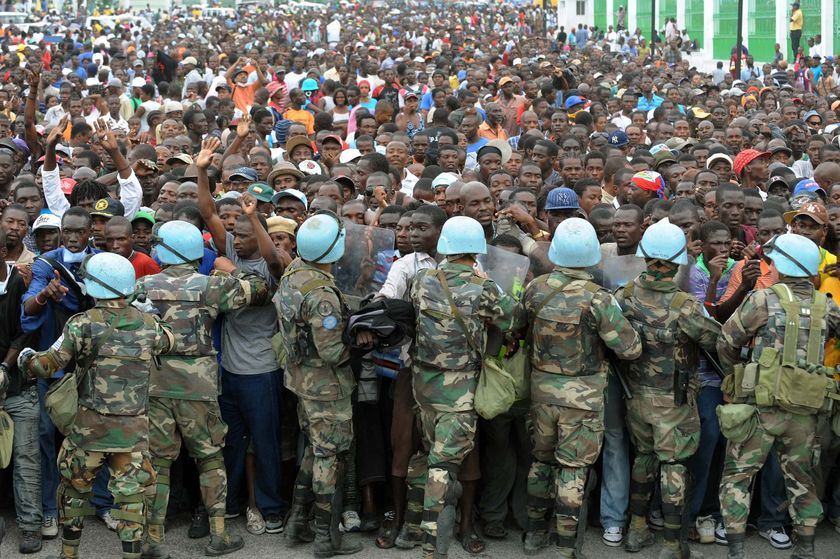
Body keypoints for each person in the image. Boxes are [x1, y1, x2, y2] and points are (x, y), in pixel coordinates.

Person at [18, 252, 175, 559]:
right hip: (132, 430)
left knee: (74, 492)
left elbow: (49, 365)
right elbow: (167, 341)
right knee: (131, 498)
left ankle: (69, 554)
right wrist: (148, 312)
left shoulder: (82, 325)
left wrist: (27, 359)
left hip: (88, 430)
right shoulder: (148, 325)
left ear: (95, 286)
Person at [136, 220, 272, 558]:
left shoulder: (143, 285)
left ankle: (153, 539)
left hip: (155, 383)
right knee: (210, 457)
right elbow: (260, 289)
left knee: (158, 462)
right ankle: (219, 535)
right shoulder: (210, 285)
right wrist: (230, 268)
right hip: (199, 385)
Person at [521, 218, 641, 557]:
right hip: (584, 396)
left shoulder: (536, 288)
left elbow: (517, 326)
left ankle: (533, 534)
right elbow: (630, 349)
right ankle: (565, 546)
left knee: (541, 462)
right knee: (573, 469)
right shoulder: (599, 299)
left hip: (541, 391)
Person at [717, 233, 840, 559]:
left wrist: (737, 374)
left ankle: (736, 551)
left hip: (760, 406)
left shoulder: (762, 300)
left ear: (780, 265)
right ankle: (806, 550)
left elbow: (726, 342)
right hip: (805, 412)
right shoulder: (826, 305)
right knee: (802, 481)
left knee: (738, 477)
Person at [406, 216, 519, 559]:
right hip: (461, 390)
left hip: (424, 385)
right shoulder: (482, 287)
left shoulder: (422, 278)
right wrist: (487, 283)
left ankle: (414, 527)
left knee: (430, 455)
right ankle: (431, 547)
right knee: (444, 465)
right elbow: (511, 318)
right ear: (477, 251)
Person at [615, 220, 721, 559]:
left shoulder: (624, 296)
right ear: (677, 262)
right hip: (674, 401)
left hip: (635, 397)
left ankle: (637, 529)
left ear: (645, 257)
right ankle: (673, 544)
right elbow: (717, 341)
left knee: (643, 459)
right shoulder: (686, 306)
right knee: (674, 465)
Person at [275, 211, 362, 557]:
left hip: (299, 380)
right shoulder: (322, 292)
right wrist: (360, 342)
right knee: (329, 456)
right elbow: (331, 352)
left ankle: (297, 523)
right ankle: (325, 537)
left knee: (313, 449)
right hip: (326, 386)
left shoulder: (294, 274)